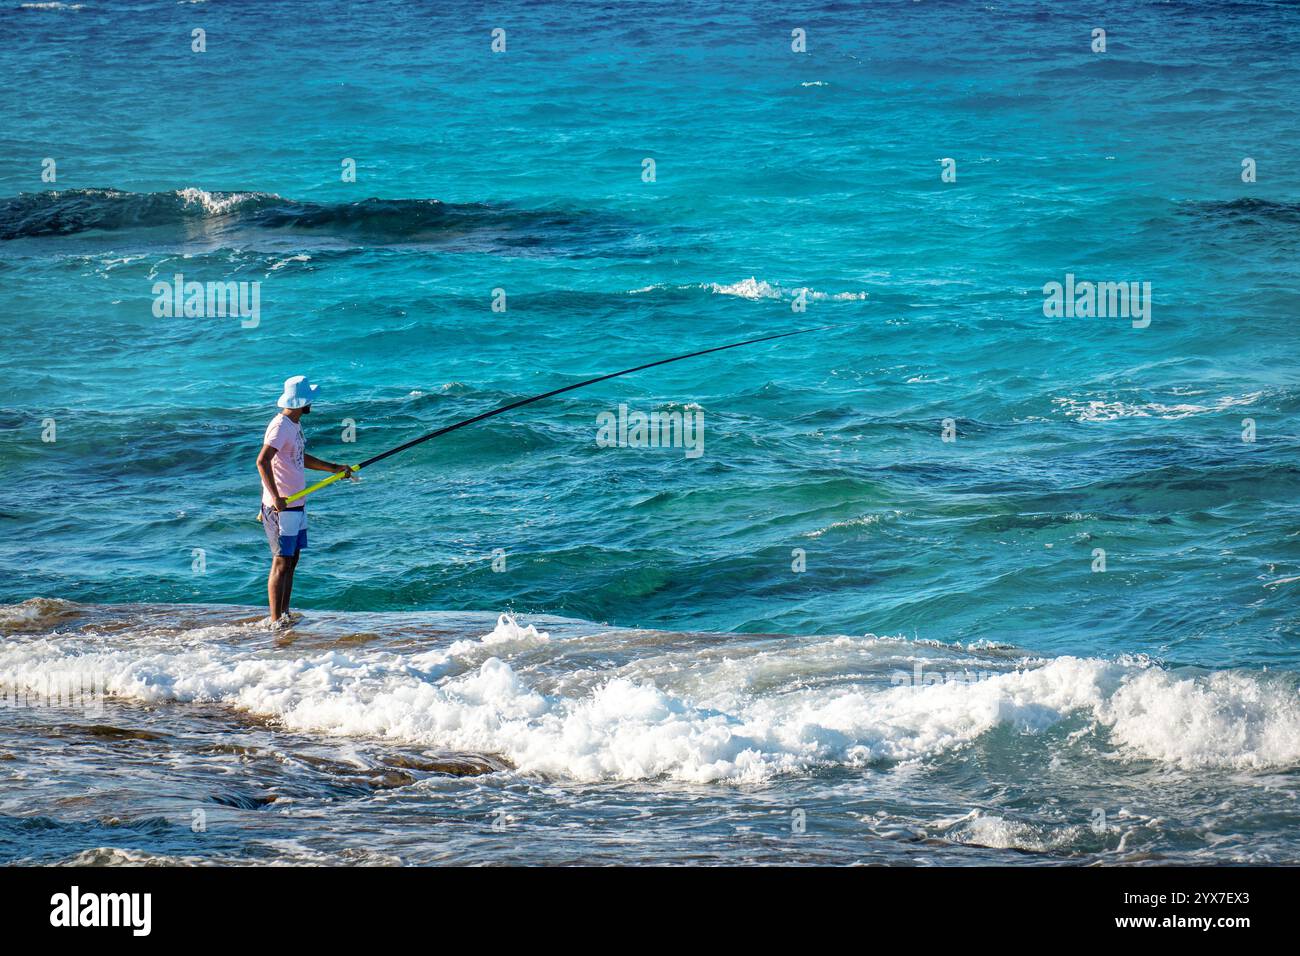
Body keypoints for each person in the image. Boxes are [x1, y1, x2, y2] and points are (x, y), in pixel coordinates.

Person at [256, 375, 351, 624]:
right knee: (281, 561)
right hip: (282, 507)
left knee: (292, 560)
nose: (313, 403)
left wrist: (334, 468)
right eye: (310, 399)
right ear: (302, 401)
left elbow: (299, 457)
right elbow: (262, 461)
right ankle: (276, 622)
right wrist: (276, 498)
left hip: (297, 504)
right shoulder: (279, 426)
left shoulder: (294, 424)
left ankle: (285, 615)